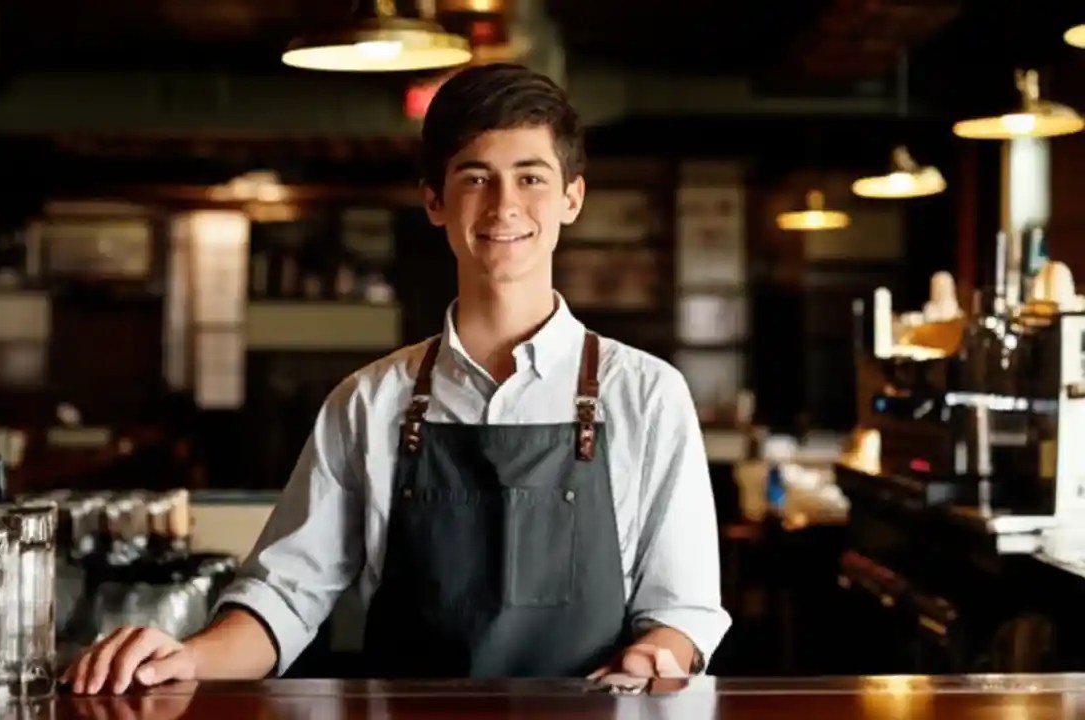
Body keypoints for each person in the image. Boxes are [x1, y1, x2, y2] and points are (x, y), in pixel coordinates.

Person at [63, 62, 731, 695]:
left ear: (572, 199)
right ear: (435, 202)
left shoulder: (646, 394)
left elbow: (684, 609)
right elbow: (287, 595)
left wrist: (656, 656)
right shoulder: (368, 402)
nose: (504, 206)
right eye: (475, 178)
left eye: (530, 178)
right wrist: (187, 655)